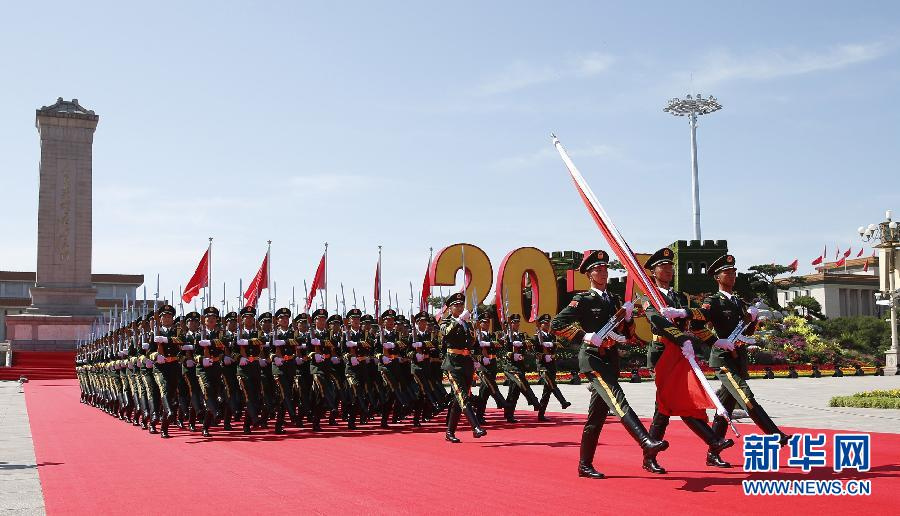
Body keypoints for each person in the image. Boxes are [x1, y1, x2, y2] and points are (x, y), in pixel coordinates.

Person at [551, 250, 667, 479]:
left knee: (596, 417)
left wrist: (628, 319)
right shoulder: (582, 299)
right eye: (598, 269)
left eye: (605, 269)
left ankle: (584, 465)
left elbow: (628, 335)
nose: (603, 272)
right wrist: (585, 336)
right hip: (593, 358)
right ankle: (646, 441)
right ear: (589, 274)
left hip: (610, 358)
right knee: (617, 398)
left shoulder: (614, 300)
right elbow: (557, 323)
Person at [641, 247, 734, 473]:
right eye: (663, 266)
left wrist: (691, 326)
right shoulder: (647, 296)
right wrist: (682, 337)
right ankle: (712, 440)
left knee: (666, 405)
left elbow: (695, 318)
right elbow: (656, 321)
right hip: (662, 351)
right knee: (673, 401)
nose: (668, 270)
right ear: (653, 271)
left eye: (670, 266)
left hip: (682, 351)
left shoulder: (679, 297)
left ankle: (649, 456)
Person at [700, 254, 791, 446]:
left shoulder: (738, 303)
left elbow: (746, 331)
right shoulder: (713, 301)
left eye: (734, 272)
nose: (732, 275)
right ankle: (775, 435)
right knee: (745, 396)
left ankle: (713, 450)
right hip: (724, 360)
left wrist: (754, 319)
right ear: (718, 277)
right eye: (727, 272)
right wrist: (716, 342)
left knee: (726, 404)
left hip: (738, 358)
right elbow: (697, 326)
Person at [440, 292, 487, 443]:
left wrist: (475, 358)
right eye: (456, 305)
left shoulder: (467, 323)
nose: (459, 307)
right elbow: (445, 334)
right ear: (450, 308)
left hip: (466, 363)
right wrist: (459, 320)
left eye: (461, 305)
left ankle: (449, 432)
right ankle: (476, 427)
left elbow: (471, 343)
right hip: (452, 364)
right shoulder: (445, 321)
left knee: (458, 400)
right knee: (462, 396)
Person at [532, 314, 571, 421]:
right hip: (543, 367)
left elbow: (555, 349)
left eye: (548, 322)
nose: (547, 324)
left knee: (547, 392)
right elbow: (535, 353)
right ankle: (563, 401)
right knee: (552, 384)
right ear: (540, 324)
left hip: (551, 366)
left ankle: (541, 414)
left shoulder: (552, 336)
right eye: (545, 323)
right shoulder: (536, 336)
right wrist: (545, 355)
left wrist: (551, 352)